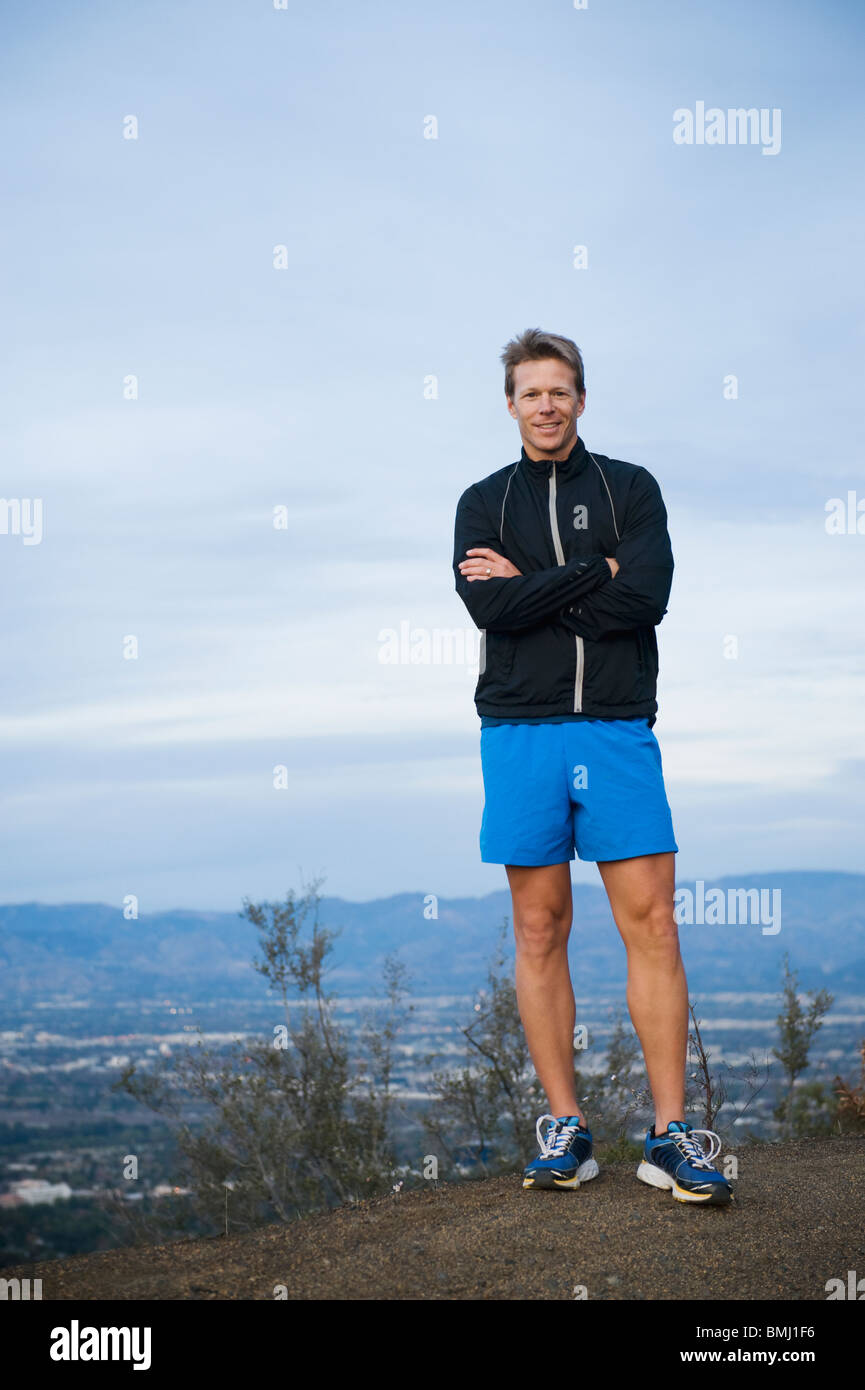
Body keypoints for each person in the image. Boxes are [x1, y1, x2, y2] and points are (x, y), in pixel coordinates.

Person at [452, 327, 732, 1206]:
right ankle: (566, 1130)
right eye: (529, 392)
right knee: (538, 929)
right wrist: (588, 573)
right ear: (509, 405)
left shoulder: (631, 487)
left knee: (652, 923)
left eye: (558, 391)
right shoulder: (480, 502)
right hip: (520, 732)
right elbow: (485, 607)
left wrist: (534, 587)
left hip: (615, 728)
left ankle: (669, 1135)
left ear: (580, 399)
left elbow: (644, 596)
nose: (545, 405)